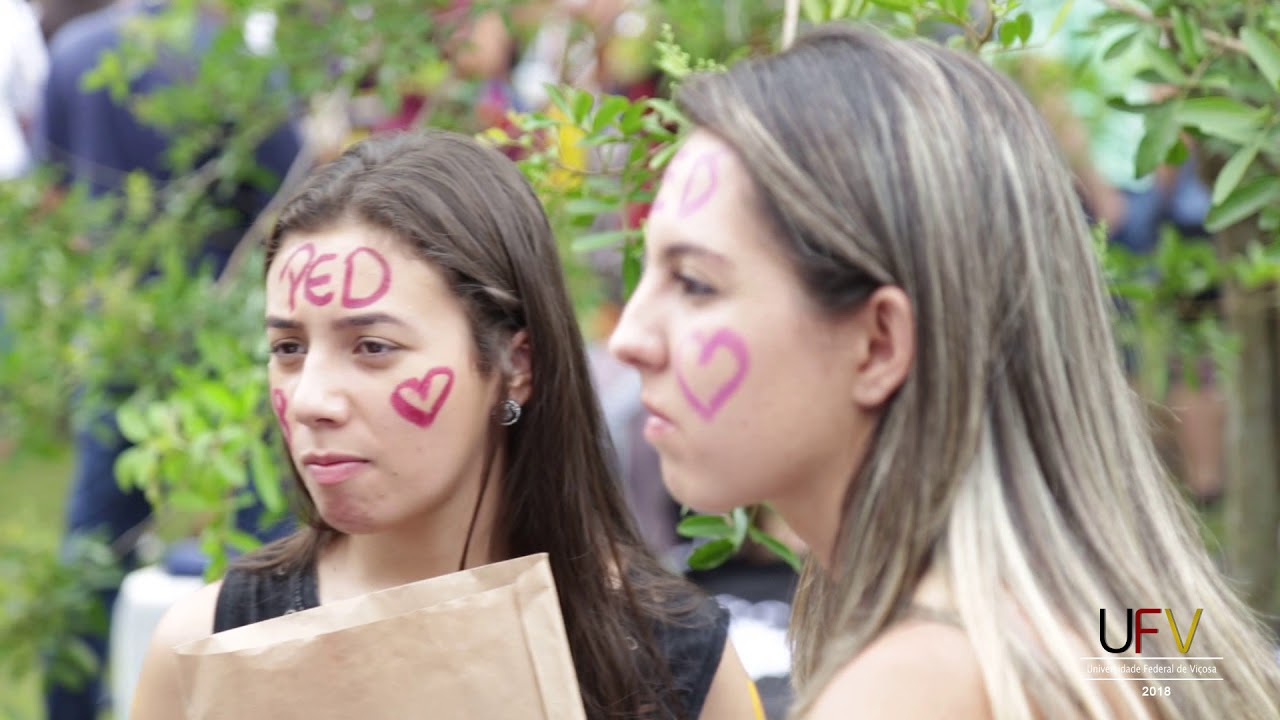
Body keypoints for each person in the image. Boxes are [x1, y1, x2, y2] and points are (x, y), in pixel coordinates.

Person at [608, 25, 1280, 719]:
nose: (630, 337)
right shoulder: (1119, 630)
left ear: (878, 344)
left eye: (693, 283)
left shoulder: (913, 688)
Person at [130, 130, 759, 720]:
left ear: (516, 364)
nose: (310, 399)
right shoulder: (203, 651)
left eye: (372, 347)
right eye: (289, 349)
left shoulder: (673, 661)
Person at [35, 3, 300, 717]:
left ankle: (68, 700)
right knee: (258, 529)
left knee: (95, 537)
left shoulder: (75, 50)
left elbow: (54, 188)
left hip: (119, 321)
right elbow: (286, 189)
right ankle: (264, 693)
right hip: (218, 322)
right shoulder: (231, 58)